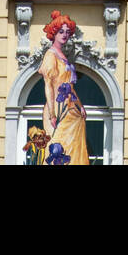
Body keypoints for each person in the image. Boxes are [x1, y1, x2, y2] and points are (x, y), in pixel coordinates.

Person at [39, 10, 90, 166]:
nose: (64, 35)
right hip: (58, 105)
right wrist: (52, 114)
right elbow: (48, 84)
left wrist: (80, 106)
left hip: (70, 107)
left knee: (73, 144)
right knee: (58, 143)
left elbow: (70, 87)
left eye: (67, 32)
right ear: (54, 32)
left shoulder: (63, 56)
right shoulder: (51, 55)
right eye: (61, 31)